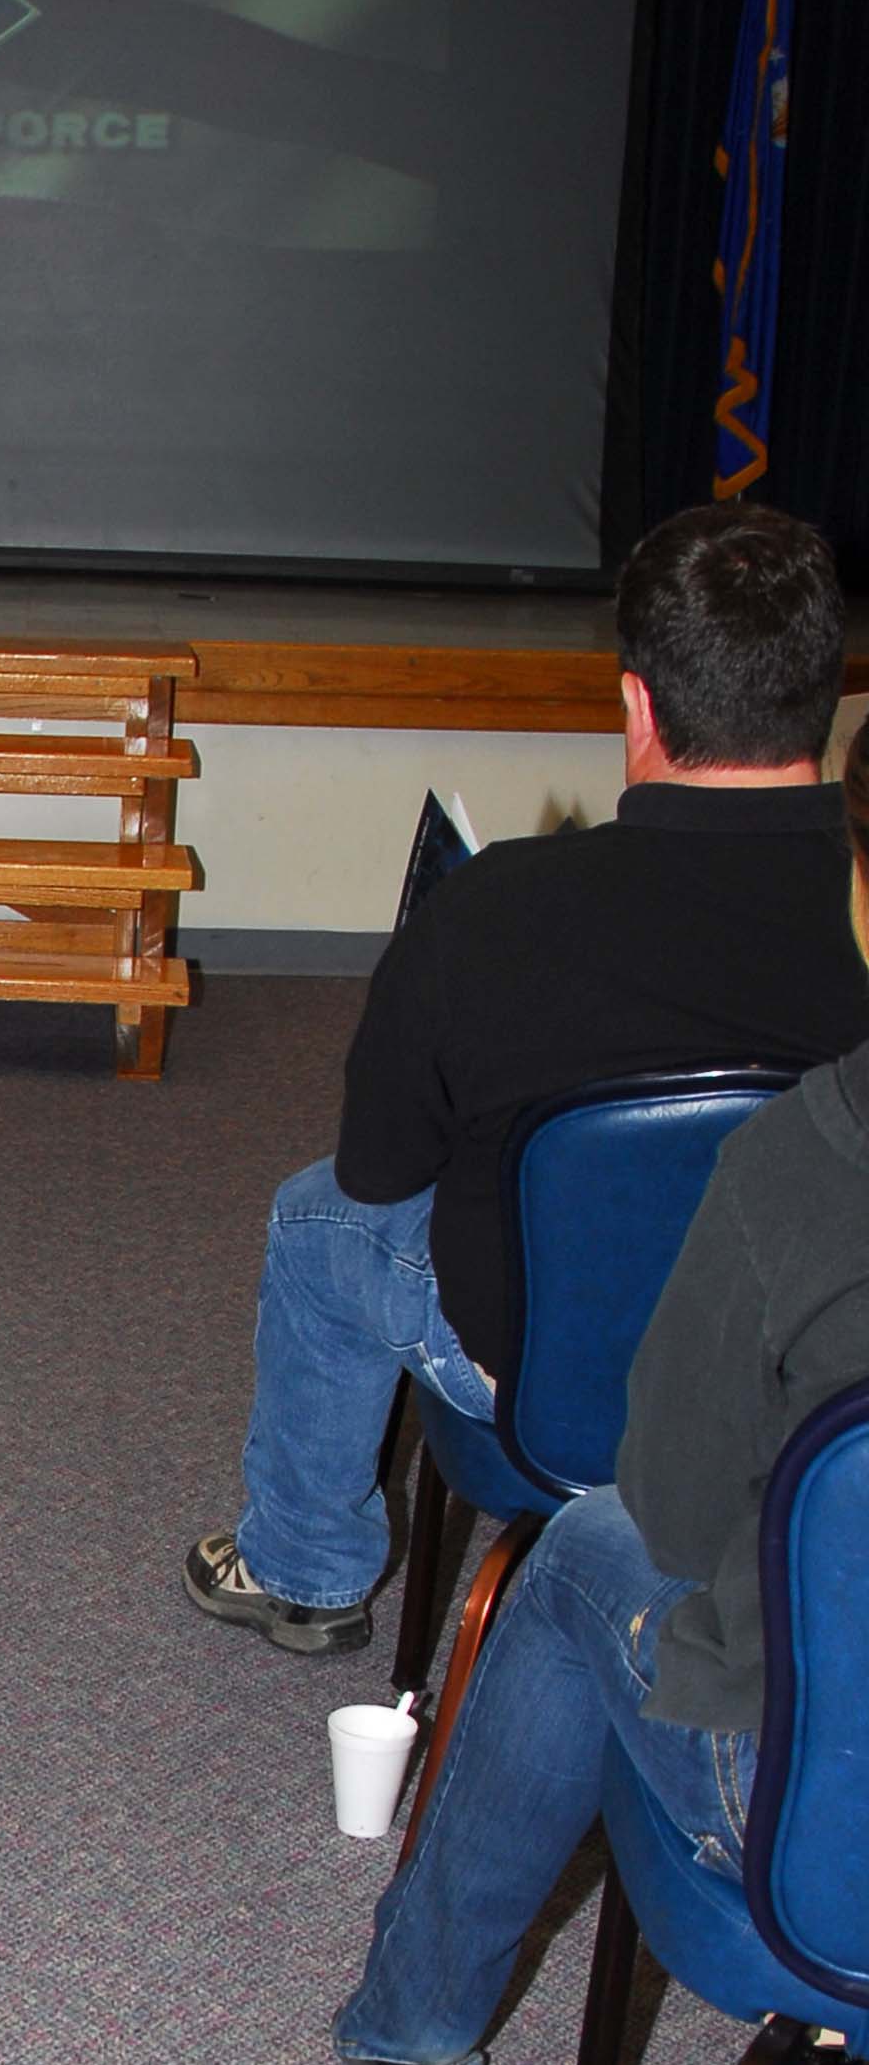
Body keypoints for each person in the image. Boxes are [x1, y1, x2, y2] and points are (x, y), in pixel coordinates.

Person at [183, 501, 869, 1653]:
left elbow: (378, 1163)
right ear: (829, 695)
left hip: (558, 1388)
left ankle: (305, 1570)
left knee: (321, 1219)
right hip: (822, 1392)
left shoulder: (494, 906)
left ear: (636, 702)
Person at [333, 708, 869, 2065]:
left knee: (592, 1549)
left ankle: (415, 2016)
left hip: (835, 1849)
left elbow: (681, 1509)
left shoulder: (813, 1155)